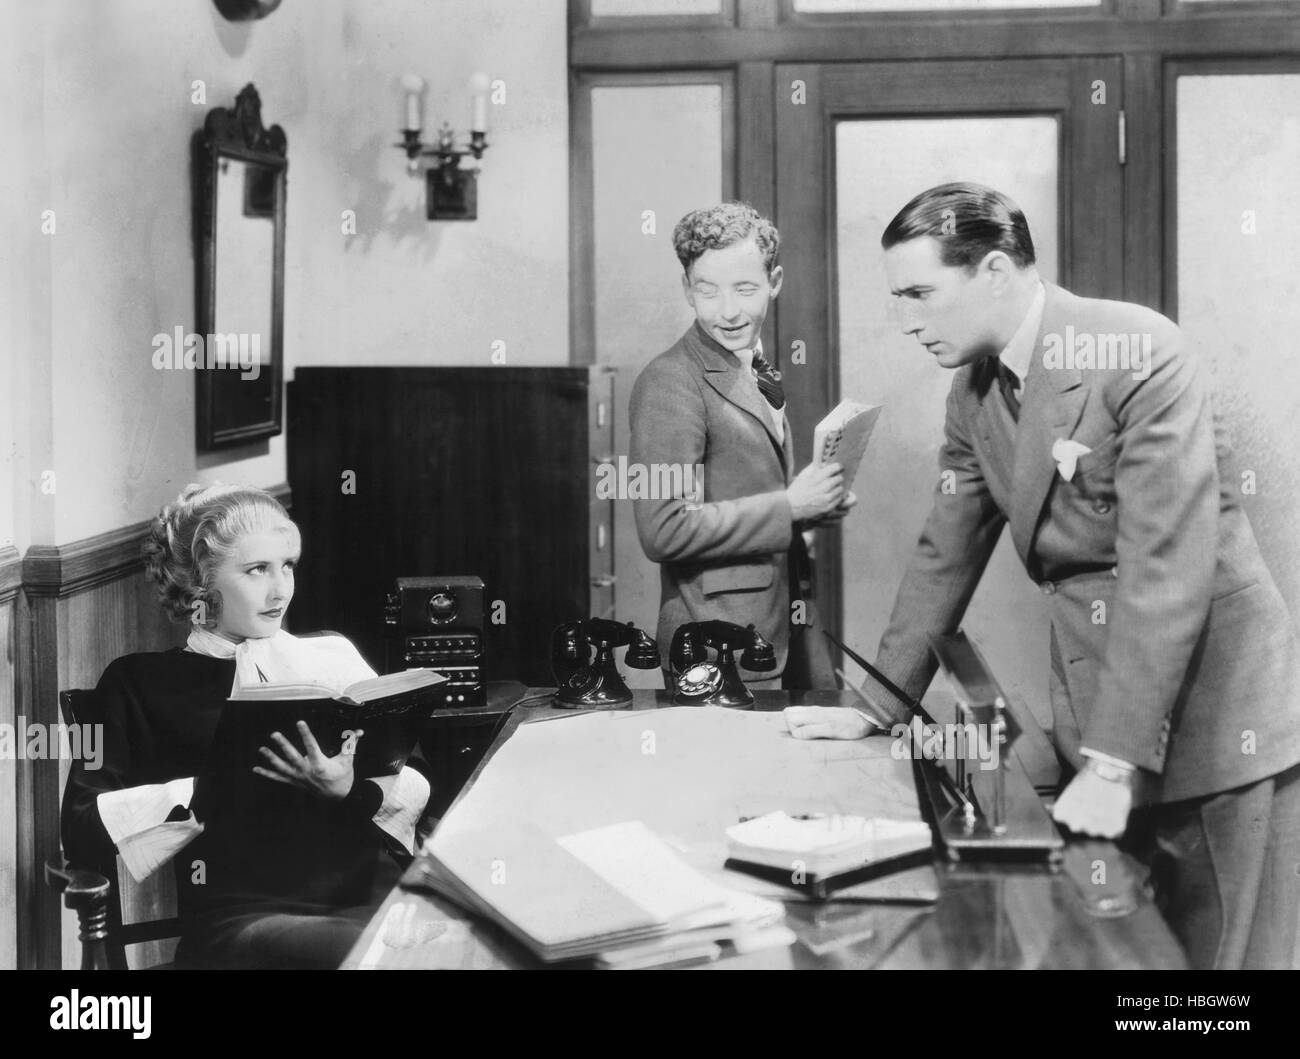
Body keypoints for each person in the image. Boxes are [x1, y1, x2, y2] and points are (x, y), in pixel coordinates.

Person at [786, 182, 1300, 969]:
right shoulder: (977, 389)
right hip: (1107, 711)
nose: (905, 321)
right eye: (896, 297)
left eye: (919, 293)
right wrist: (878, 704)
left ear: (995, 269)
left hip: (1213, 718)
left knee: (1220, 982)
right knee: (1137, 963)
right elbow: (944, 550)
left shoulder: (1136, 348)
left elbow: (1166, 565)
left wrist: (1111, 760)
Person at [62, 483, 432, 969]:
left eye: (288, 566)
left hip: (369, 890)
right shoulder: (138, 683)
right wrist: (207, 790)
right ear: (200, 582)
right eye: (257, 569)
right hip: (243, 919)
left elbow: (421, 779)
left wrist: (350, 791)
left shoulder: (331, 660)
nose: (281, 589)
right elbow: (82, 824)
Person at [629, 202, 851, 689]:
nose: (727, 312)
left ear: (775, 282)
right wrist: (788, 506)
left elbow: (741, 486)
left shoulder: (749, 362)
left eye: (745, 289)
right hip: (715, 644)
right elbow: (662, 529)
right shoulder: (668, 383)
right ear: (687, 288)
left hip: (779, 628)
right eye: (707, 291)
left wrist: (807, 509)